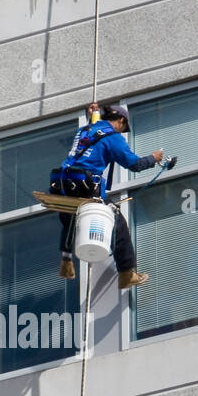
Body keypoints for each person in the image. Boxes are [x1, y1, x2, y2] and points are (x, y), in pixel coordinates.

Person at [49, 102, 163, 289]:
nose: (121, 131)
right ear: (120, 120)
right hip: (85, 186)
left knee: (70, 218)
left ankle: (66, 262)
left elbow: (92, 138)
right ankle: (127, 273)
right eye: (123, 127)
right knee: (116, 220)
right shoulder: (113, 138)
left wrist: (93, 114)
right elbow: (134, 164)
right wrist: (153, 158)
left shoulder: (86, 129)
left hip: (62, 182)